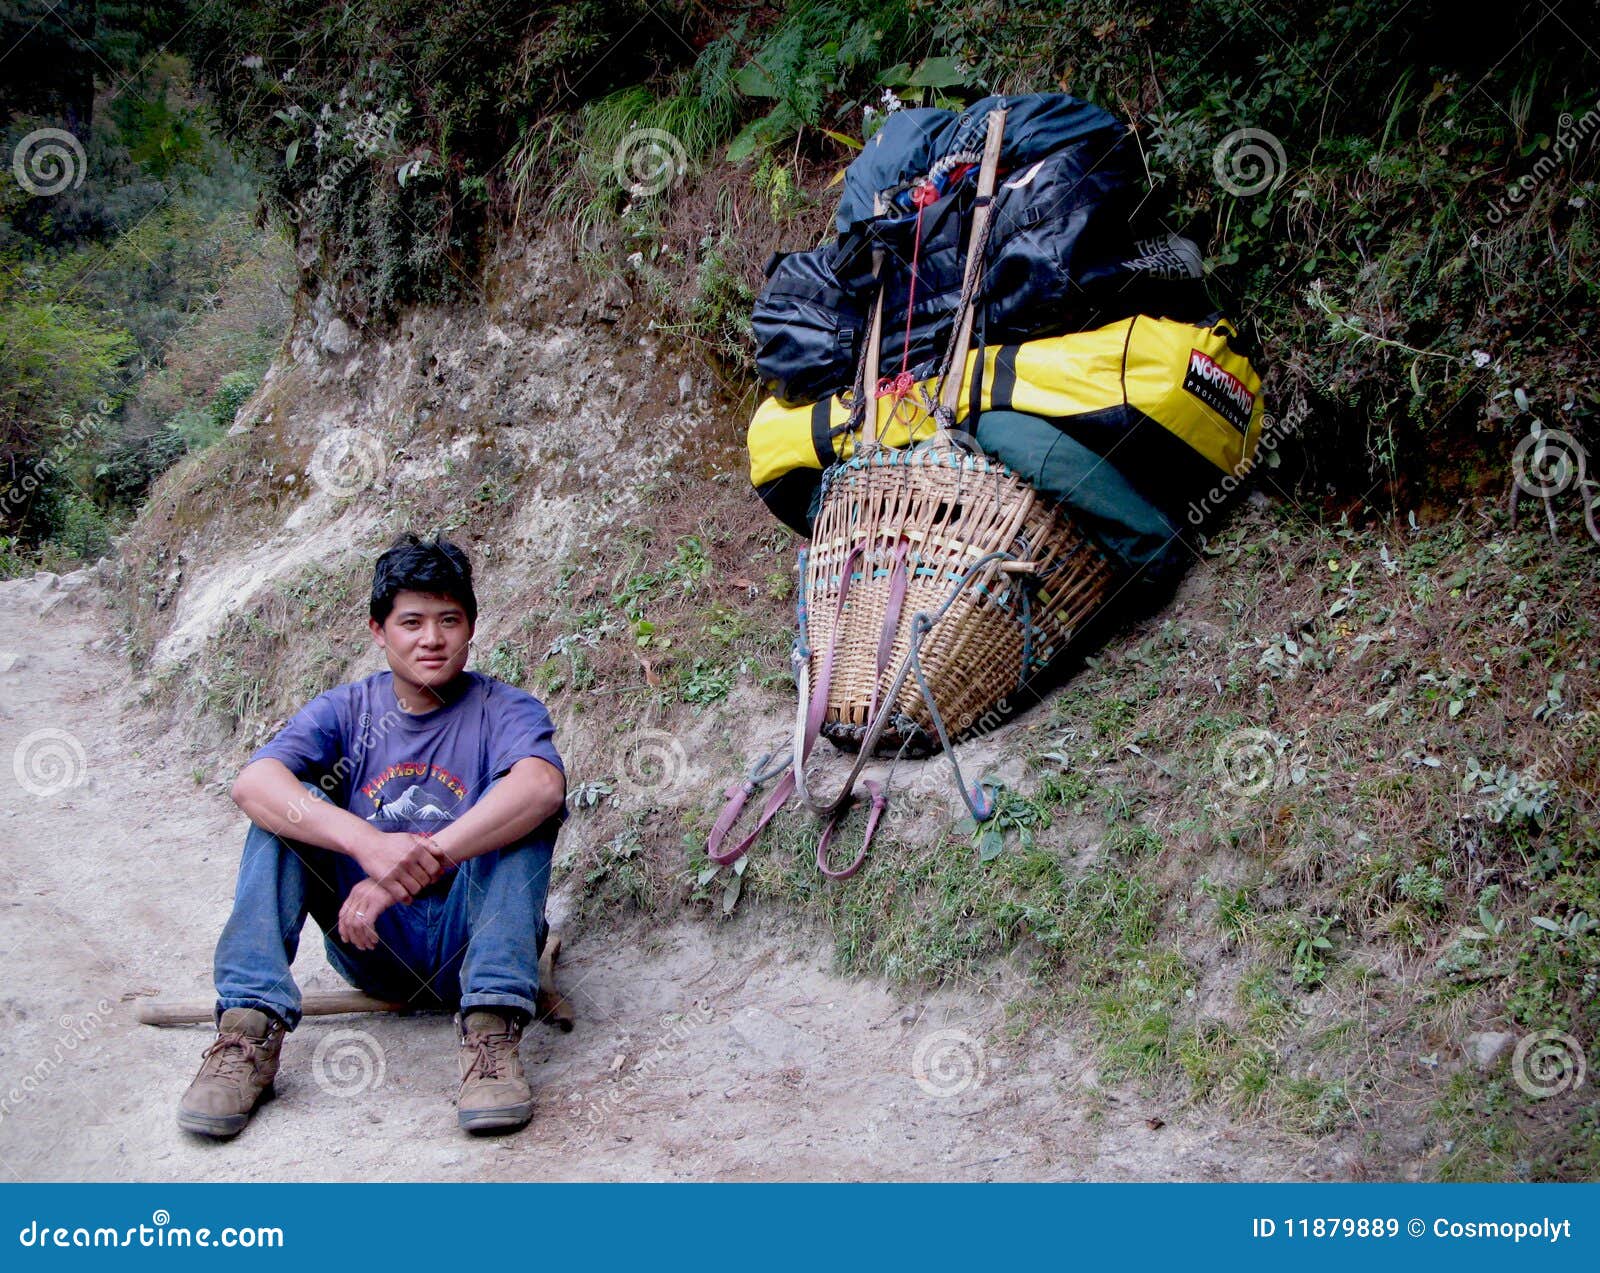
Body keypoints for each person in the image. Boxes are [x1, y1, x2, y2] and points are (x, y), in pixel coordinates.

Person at [178, 533, 567, 1138]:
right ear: (378, 631)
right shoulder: (345, 710)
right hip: (372, 943)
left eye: (449, 620)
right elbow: (253, 783)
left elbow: (541, 787)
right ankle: (247, 1034)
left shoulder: (505, 709)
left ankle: (491, 1033)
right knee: (286, 813)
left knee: (521, 807)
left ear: (471, 627)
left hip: (472, 939)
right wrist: (368, 844)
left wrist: (409, 867)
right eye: (411, 622)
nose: (431, 638)